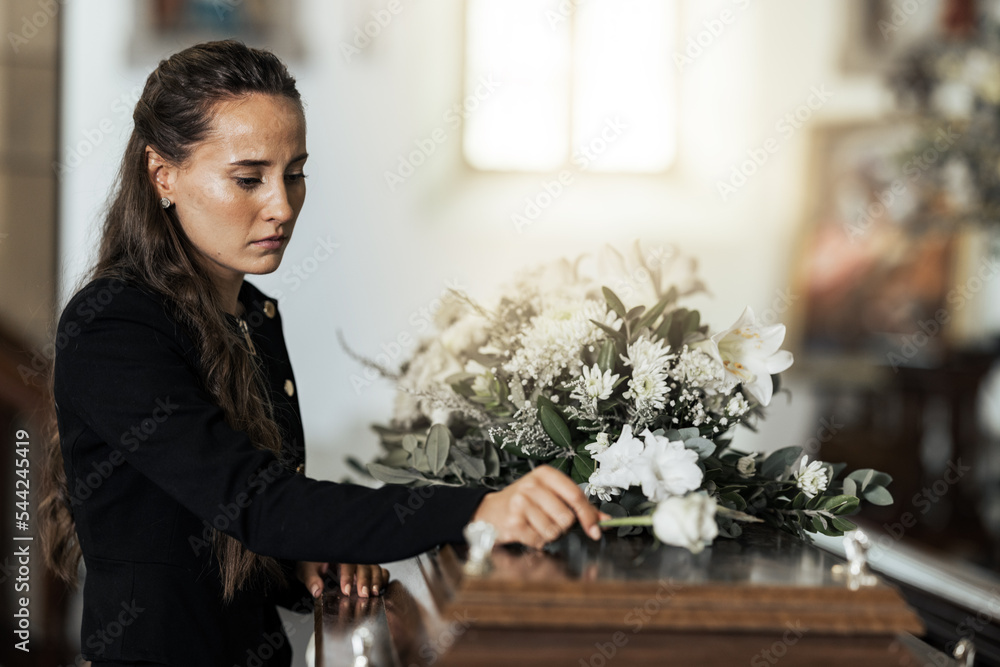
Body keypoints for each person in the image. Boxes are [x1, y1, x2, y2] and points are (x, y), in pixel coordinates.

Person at [39, 40, 606, 667]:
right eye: (248, 178)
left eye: (295, 173)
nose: (281, 206)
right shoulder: (113, 326)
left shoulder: (251, 314)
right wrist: (478, 508)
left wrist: (297, 557)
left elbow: (216, 523)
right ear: (162, 175)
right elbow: (253, 501)